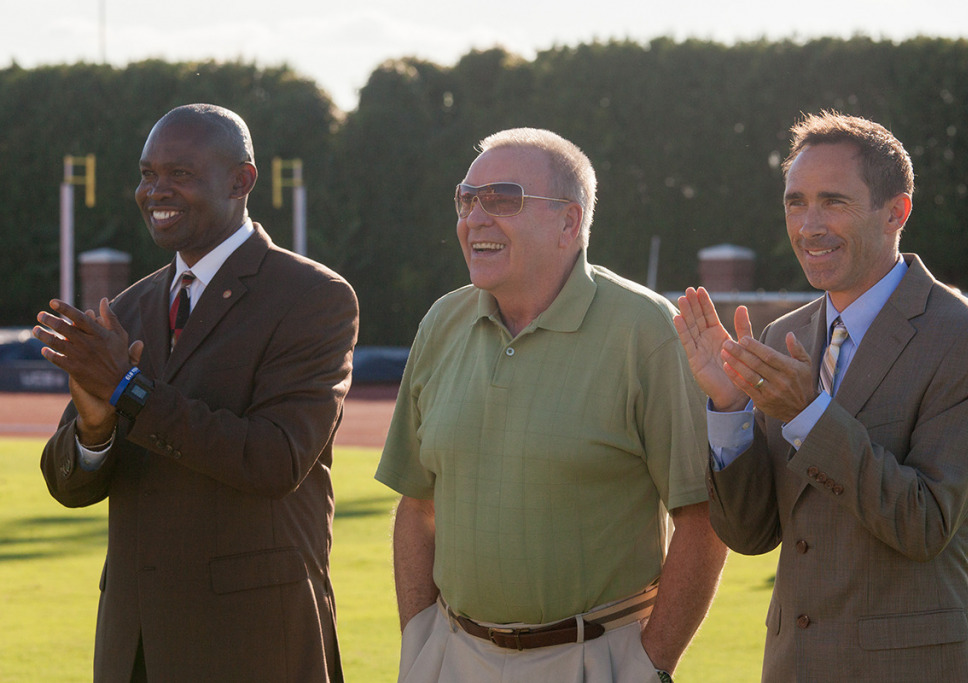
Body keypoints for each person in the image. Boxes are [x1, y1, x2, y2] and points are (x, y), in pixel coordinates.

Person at [375, 128, 727, 683]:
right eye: (467, 199)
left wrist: (647, 665)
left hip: (593, 660)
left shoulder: (649, 330)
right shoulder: (442, 322)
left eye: (503, 199)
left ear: (569, 222)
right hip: (451, 656)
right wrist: (421, 644)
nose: (475, 218)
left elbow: (702, 518)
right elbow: (418, 508)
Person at [674, 111, 968, 681]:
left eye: (833, 202)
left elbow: (924, 523)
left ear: (896, 212)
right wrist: (730, 410)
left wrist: (808, 413)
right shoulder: (784, 336)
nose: (809, 225)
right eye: (795, 202)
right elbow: (751, 533)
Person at [34, 104, 358, 682]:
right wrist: (93, 430)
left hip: (255, 646)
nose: (155, 190)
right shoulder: (127, 309)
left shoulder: (313, 298)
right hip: (133, 650)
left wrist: (129, 390)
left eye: (180, 174)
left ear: (242, 180)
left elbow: (275, 459)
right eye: (147, 173)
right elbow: (69, 486)